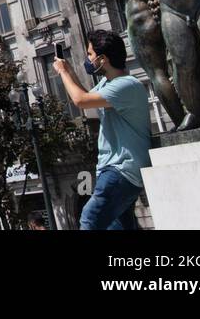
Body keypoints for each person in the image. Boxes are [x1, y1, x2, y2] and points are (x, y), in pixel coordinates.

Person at [54, 30, 152, 230]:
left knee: (89, 219)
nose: (88, 59)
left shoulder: (126, 85)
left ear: (103, 59)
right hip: (116, 169)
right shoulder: (109, 83)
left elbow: (80, 101)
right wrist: (70, 71)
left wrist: (63, 72)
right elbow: (88, 100)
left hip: (121, 169)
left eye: (90, 54)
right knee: (118, 228)